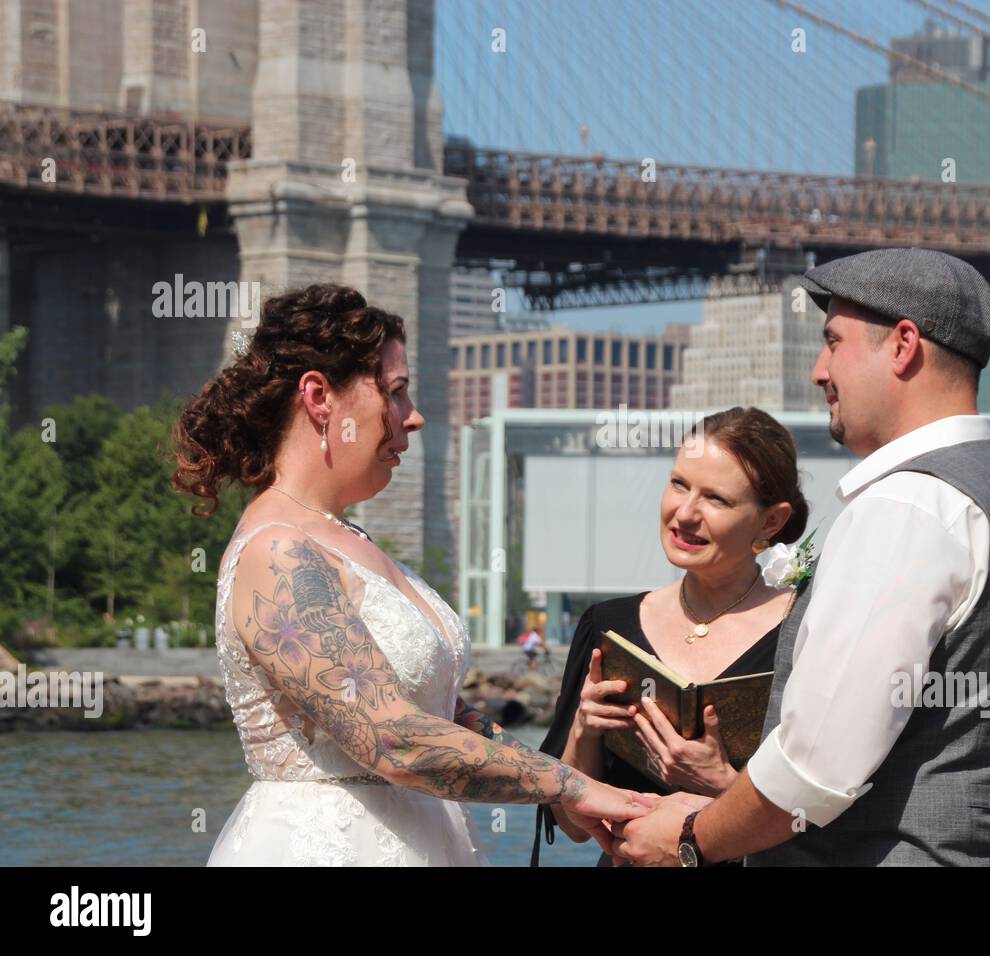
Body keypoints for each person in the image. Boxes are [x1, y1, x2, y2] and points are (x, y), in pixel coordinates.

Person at [612, 247, 990, 866]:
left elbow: (818, 763)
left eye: (834, 342)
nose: (819, 370)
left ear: (904, 345)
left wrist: (688, 839)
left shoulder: (908, 505)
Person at [172, 283, 652, 866]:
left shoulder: (347, 541)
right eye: (396, 394)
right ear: (320, 397)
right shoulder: (277, 552)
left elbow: (440, 718)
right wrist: (573, 787)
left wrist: (568, 783)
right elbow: (392, 739)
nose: (415, 417)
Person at [531, 406, 810, 866]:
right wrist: (583, 730)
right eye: (679, 484)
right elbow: (571, 828)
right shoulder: (607, 625)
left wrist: (720, 782)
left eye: (716, 499)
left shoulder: (804, 630)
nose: (684, 513)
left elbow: (828, 816)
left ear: (771, 522)